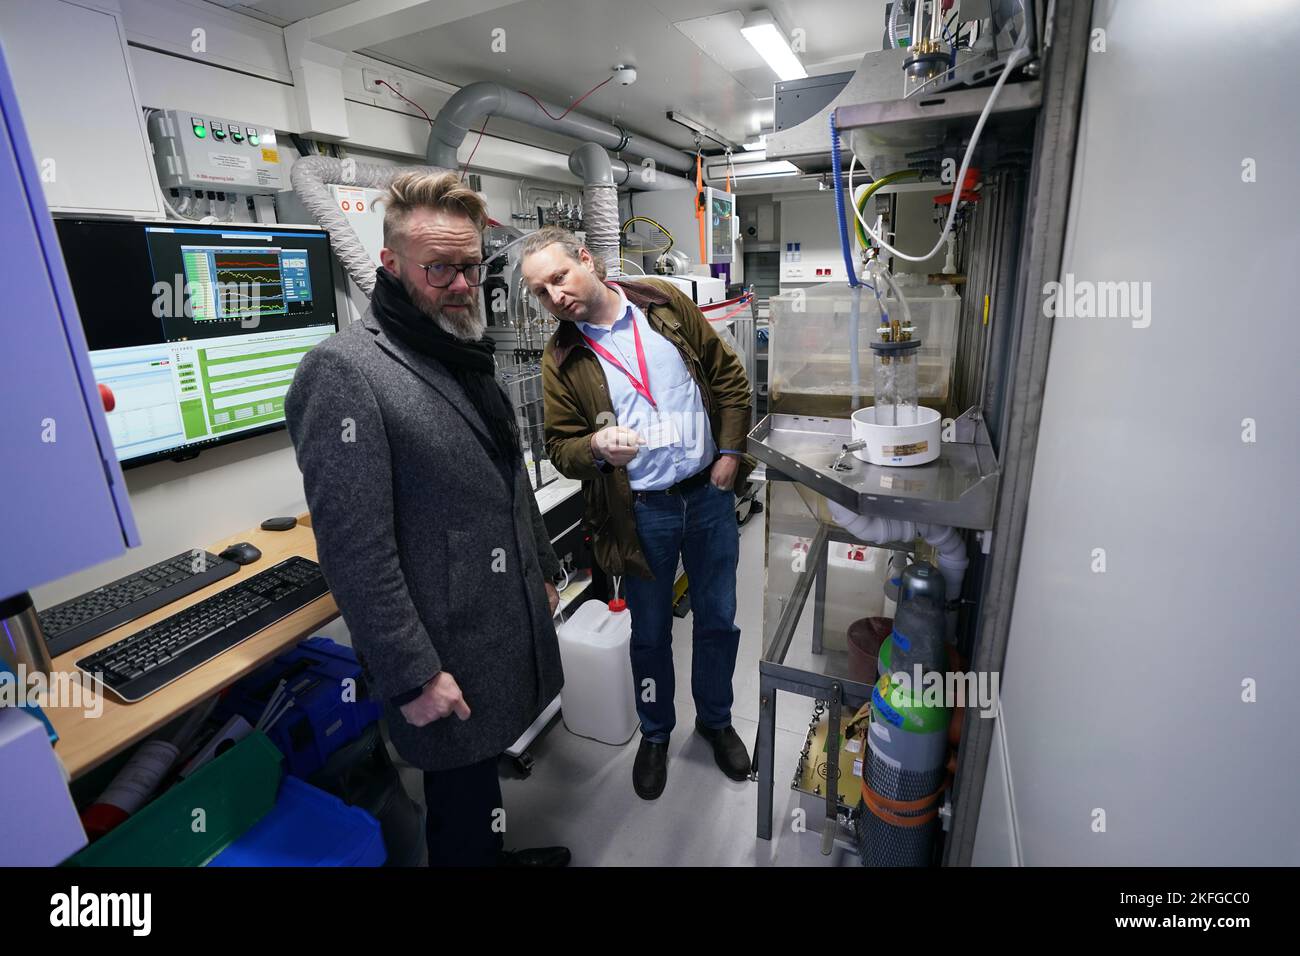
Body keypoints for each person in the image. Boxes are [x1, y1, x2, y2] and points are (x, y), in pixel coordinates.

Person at [285, 171, 569, 867]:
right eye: (439, 268)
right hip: (442, 642)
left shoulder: (457, 349)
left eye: (470, 266)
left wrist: (545, 566)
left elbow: (507, 476)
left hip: (495, 617)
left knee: (480, 777)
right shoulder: (347, 371)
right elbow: (356, 551)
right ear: (390, 265)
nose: (462, 284)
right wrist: (411, 677)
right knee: (459, 795)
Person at [521, 226, 754, 800]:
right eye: (540, 292)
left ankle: (716, 720)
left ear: (587, 260)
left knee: (718, 618)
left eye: (559, 277)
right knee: (649, 634)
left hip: (708, 496)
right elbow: (560, 448)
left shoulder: (664, 303)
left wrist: (729, 452)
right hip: (640, 512)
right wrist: (596, 449)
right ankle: (655, 733)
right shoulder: (562, 358)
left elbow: (727, 378)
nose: (556, 296)